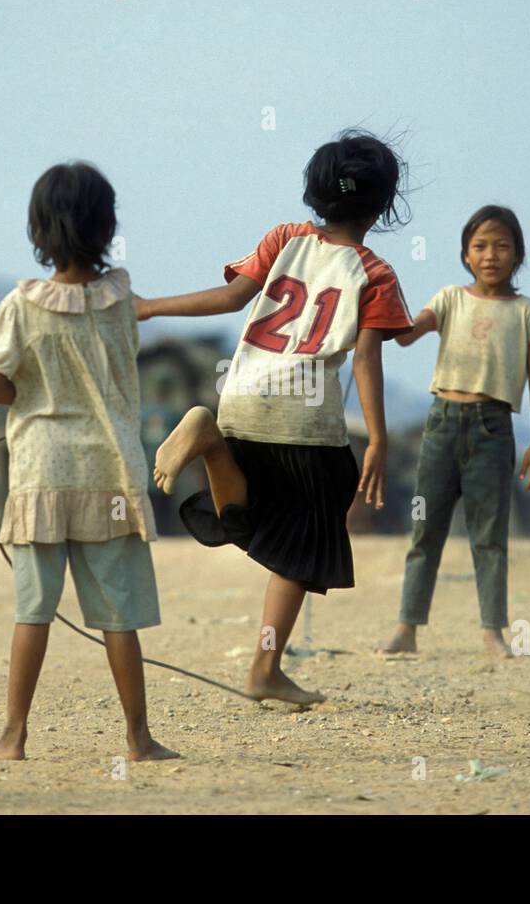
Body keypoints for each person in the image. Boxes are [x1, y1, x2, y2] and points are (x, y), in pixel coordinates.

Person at [137, 128, 415, 704]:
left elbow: (230, 299)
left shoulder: (286, 239)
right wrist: (378, 440)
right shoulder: (376, 274)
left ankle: (212, 440)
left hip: (240, 395)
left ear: (314, 196)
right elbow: (365, 358)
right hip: (305, 422)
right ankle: (264, 669)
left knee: (246, 518)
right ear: (384, 205)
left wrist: (151, 306)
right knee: (303, 549)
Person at [0, 161, 176, 762]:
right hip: (110, 470)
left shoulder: (21, 303)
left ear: (39, 229)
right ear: (107, 225)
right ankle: (138, 739)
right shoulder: (120, 301)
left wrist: (29, 397)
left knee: (33, 608)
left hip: (41, 471)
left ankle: (13, 735)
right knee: (119, 613)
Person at [380, 205, 530, 658]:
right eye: (480, 246)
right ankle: (407, 628)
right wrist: (383, 294)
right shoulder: (451, 298)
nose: (491, 255)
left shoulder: (527, 311)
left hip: (493, 430)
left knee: (490, 535)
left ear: (517, 255)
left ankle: (492, 631)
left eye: (501, 245)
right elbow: (405, 335)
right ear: (465, 255)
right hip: (442, 424)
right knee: (425, 529)